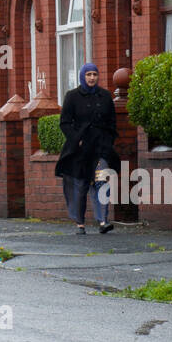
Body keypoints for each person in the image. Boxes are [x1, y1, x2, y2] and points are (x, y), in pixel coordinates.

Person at [55, 63, 120, 234]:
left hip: (101, 148)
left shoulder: (105, 96)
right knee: (80, 184)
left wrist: (108, 140)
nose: (92, 78)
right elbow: (65, 123)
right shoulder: (72, 96)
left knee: (101, 180)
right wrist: (77, 139)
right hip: (80, 149)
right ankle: (79, 223)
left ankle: (103, 220)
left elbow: (112, 123)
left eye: (95, 74)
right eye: (89, 74)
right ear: (83, 76)